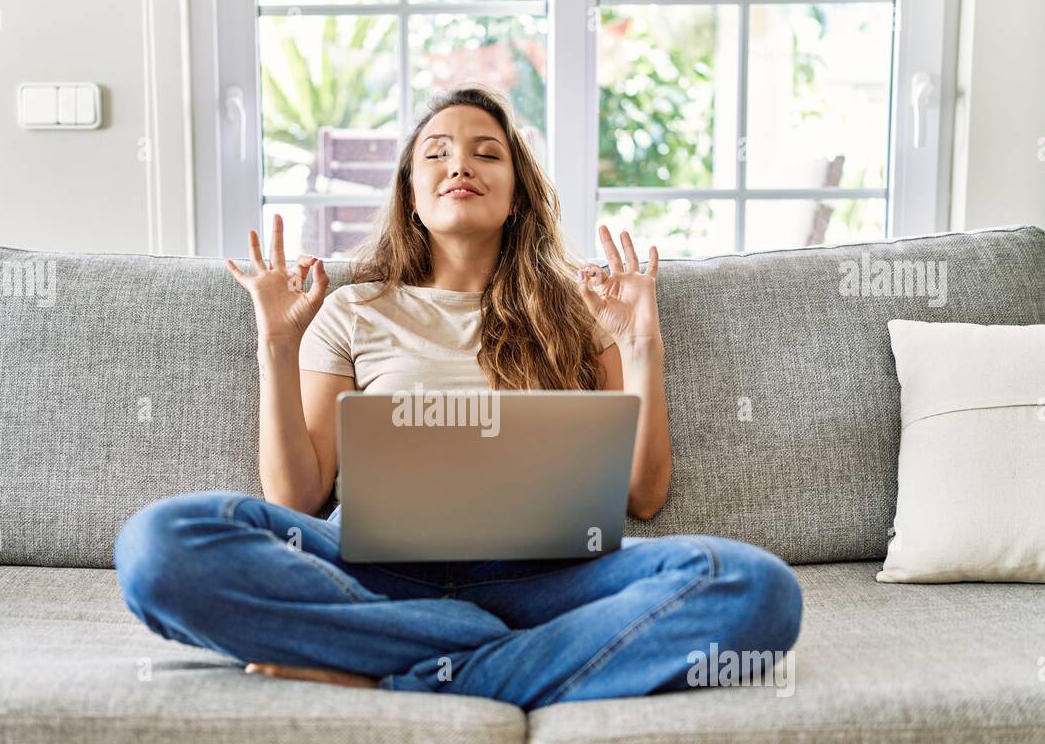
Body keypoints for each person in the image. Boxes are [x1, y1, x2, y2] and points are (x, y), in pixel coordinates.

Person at [113, 85, 802, 711]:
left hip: (546, 582)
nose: (461, 165)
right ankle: (479, 647)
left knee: (751, 586)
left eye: (487, 153)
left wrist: (643, 348)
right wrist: (277, 346)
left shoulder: (582, 311)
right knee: (158, 544)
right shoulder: (355, 310)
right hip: (371, 575)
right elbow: (295, 501)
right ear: (411, 194)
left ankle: (401, 671)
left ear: (518, 192)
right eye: (436, 153)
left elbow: (644, 497)